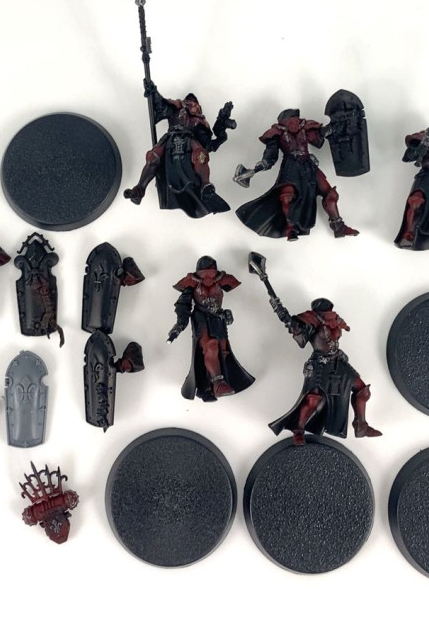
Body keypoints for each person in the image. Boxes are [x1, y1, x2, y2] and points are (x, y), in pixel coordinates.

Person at [268, 298, 381, 445]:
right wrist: (280, 311)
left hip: (337, 361)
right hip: (319, 363)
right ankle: (298, 429)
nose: (329, 310)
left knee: (362, 391)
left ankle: (361, 426)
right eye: (326, 308)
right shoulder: (310, 320)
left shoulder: (335, 319)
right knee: (313, 400)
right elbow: (296, 330)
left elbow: (342, 330)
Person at [235, 109, 358, 240]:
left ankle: (339, 227)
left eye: (296, 119)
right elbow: (270, 156)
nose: (296, 122)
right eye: (292, 120)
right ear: (284, 122)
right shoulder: (277, 133)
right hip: (290, 168)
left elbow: (319, 137)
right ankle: (290, 228)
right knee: (287, 197)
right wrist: (259, 167)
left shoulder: (305, 128)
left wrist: (333, 127)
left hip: (308, 166)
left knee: (330, 195)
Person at [123, 79, 234, 217]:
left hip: (189, 140)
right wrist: (153, 91)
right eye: (191, 102)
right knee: (153, 158)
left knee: (201, 155)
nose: (193, 105)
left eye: (195, 104)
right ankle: (139, 189)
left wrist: (222, 127)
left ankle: (205, 185)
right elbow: (162, 104)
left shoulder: (200, 121)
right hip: (171, 137)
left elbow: (208, 145)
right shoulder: (178, 106)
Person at [168, 256, 255, 401]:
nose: (208, 278)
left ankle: (209, 386)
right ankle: (218, 383)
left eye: (211, 274)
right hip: (201, 318)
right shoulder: (191, 282)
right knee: (210, 347)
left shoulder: (222, 280)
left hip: (218, 317)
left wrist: (226, 313)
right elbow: (183, 305)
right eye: (204, 274)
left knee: (223, 350)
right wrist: (180, 325)